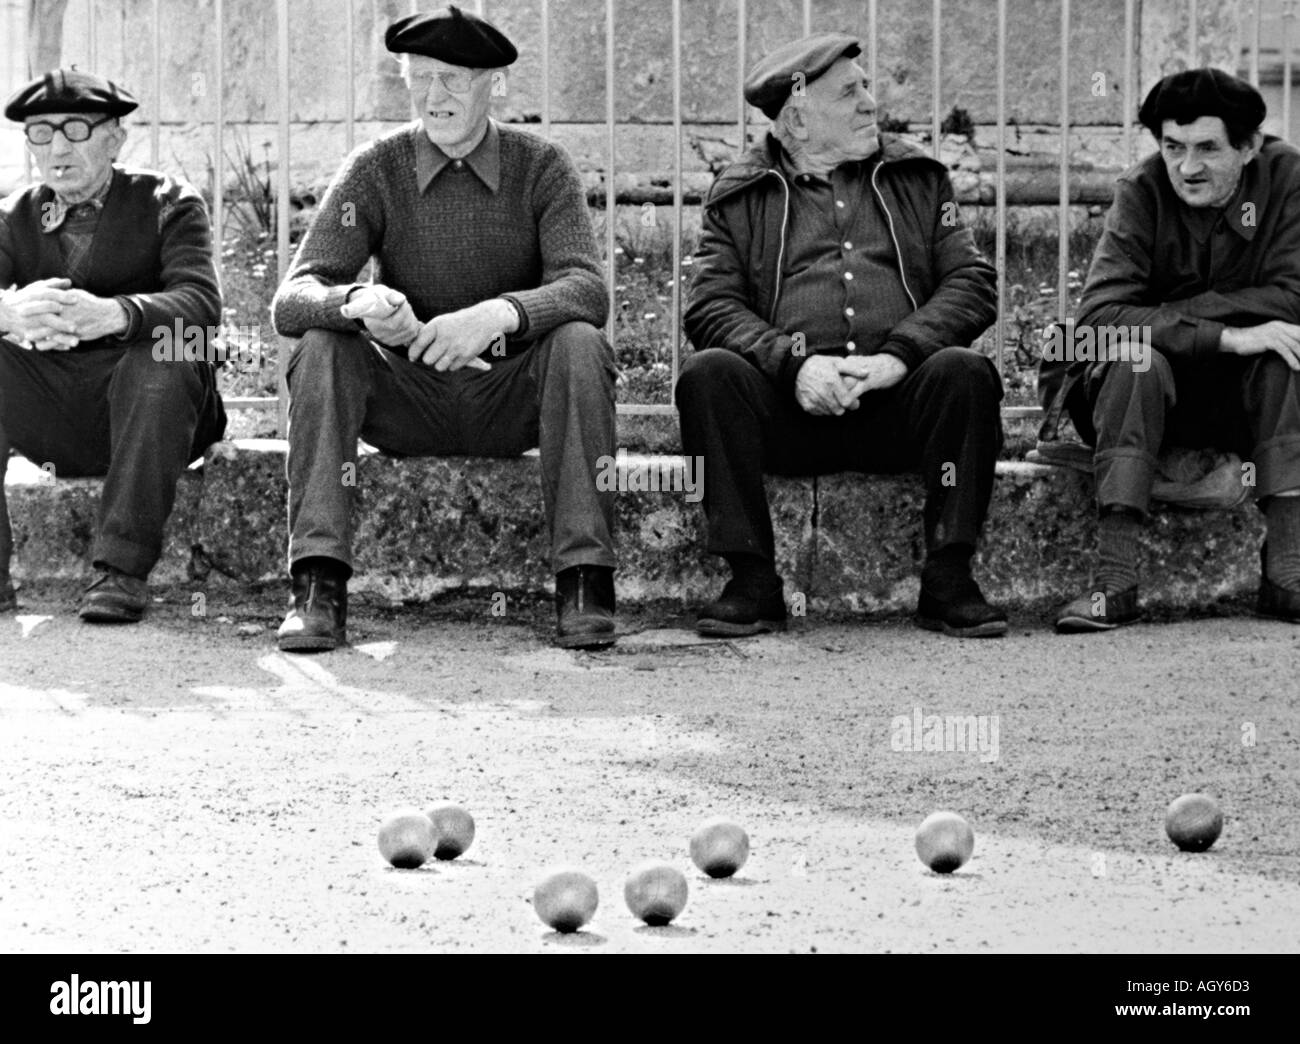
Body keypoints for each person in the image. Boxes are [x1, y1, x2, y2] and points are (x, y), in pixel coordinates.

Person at [272, 5, 616, 653]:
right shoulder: (376, 167)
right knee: (321, 342)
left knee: (579, 342)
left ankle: (585, 582)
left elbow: (586, 289)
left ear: (498, 86)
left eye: (455, 78)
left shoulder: (542, 166)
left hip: (507, 398)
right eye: (420, 78)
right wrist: (361, 303)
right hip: (408, 402)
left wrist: (497, 315)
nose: (436, 96)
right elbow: (294, 298)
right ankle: (316, 585)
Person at [677, 32, 1005, 639]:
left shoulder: (919, 179)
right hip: (789, 412)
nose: (870, 103)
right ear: (798, 118)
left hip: (898, 407)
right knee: (708, 377)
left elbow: (972, 282)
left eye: (867, 87)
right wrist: (792, 366)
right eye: (850, 93)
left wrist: (899, 356)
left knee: (965, 371)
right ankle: (751, 578)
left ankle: (949, 578)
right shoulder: (740, 193)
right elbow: (709, 305)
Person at [1041, 68, 1300, 631]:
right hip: (1132, 391)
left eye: (1208, 148)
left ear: (1251, 145)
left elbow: (1294, 296)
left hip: (1237, 400)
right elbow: (1100, 318)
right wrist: (1228, 332)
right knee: (1135, 356)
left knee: (1286, 353)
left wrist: (1182, 315)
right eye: (1173, 147)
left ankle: (1288, 574)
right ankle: (1115, 583)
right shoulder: (1141, 190)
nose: (1187, 168)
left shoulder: (1288, 180)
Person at [0, 69, 226, 621]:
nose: (56, 148)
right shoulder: (13, 216)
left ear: (115, 137)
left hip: (157, 411)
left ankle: (120, 572)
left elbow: (201, 304)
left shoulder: (167, 201)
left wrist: (113, 315)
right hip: (58, 414)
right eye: (40, 132)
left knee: (171, 348)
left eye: (75, 129)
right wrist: (9, 312)